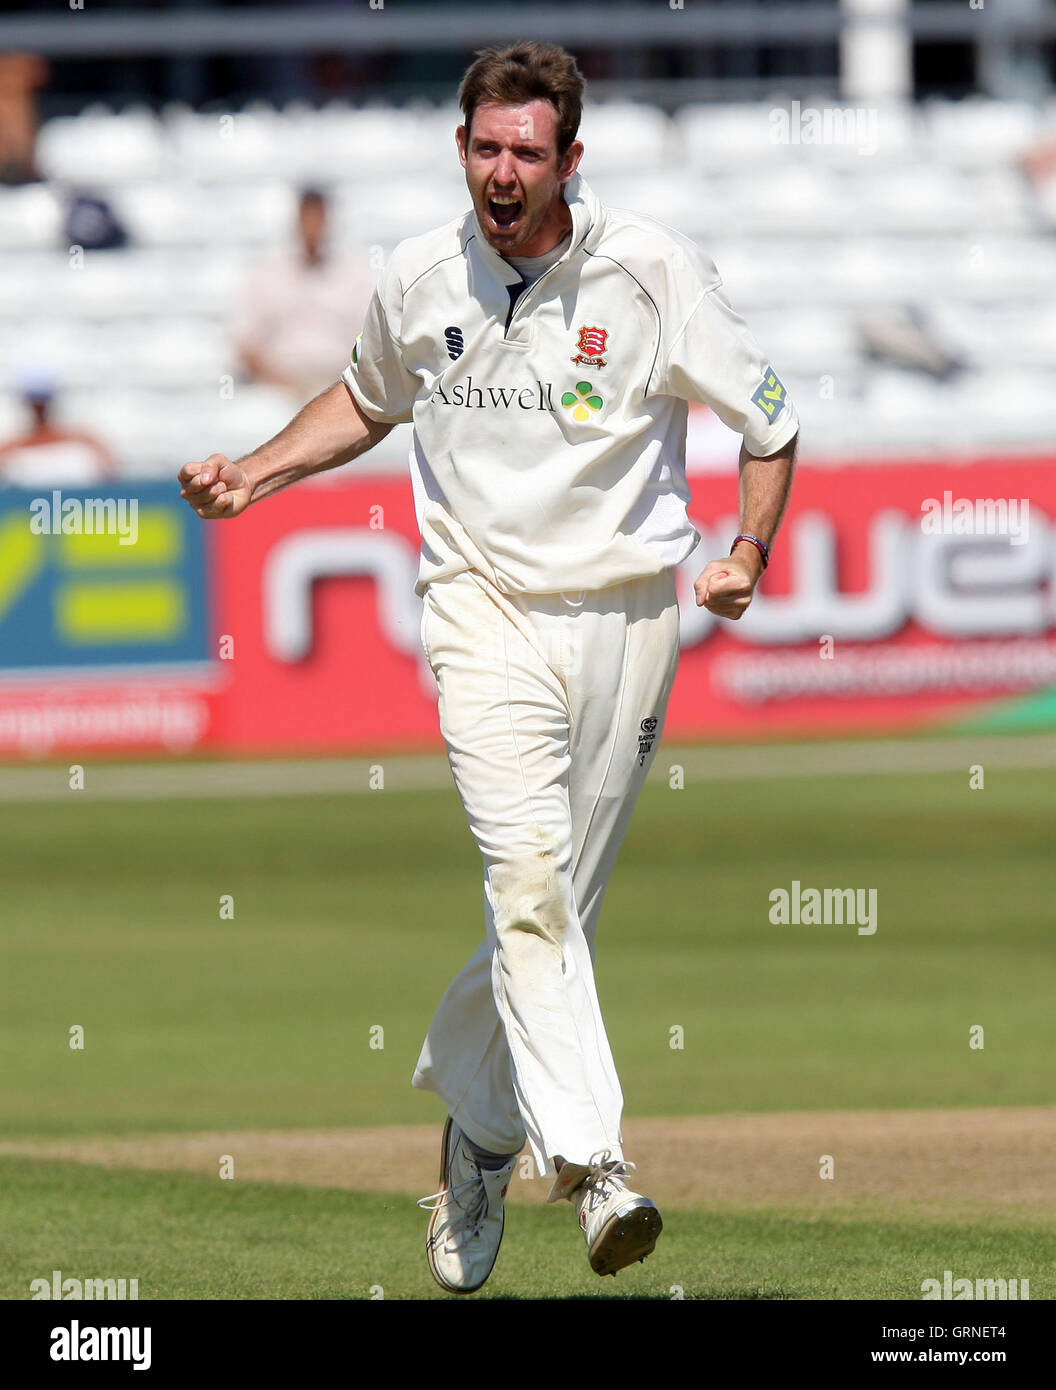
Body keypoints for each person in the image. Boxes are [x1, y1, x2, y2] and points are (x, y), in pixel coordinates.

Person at [179, 41, 799, 1296]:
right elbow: (367, 399)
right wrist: (254, 470)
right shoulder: (417, 273)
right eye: (484, 147)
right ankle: (597, 1164)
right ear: (460, 147)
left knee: (555, 910)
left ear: (572, 158)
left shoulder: (651, 269)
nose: (502, 172)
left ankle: (479, 1134)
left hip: (627, 614)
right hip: (478, 610)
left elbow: (772, 421)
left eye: (528, 151)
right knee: (524, 880)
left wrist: (744, 550)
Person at [232, 186, 373, 401]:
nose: (312, 228)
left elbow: (368, 341)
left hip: (338, 383)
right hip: (279, 387)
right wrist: (282, 383)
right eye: (307, 219)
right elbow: (246, 345)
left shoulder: (354, 275)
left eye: (318, 220)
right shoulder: (267, 274)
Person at [0, 369, 114, 485]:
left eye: (42, 400)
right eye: (35, 401)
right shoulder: (10, 448)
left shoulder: (85, 441)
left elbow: (111, 476)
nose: (39, 407)